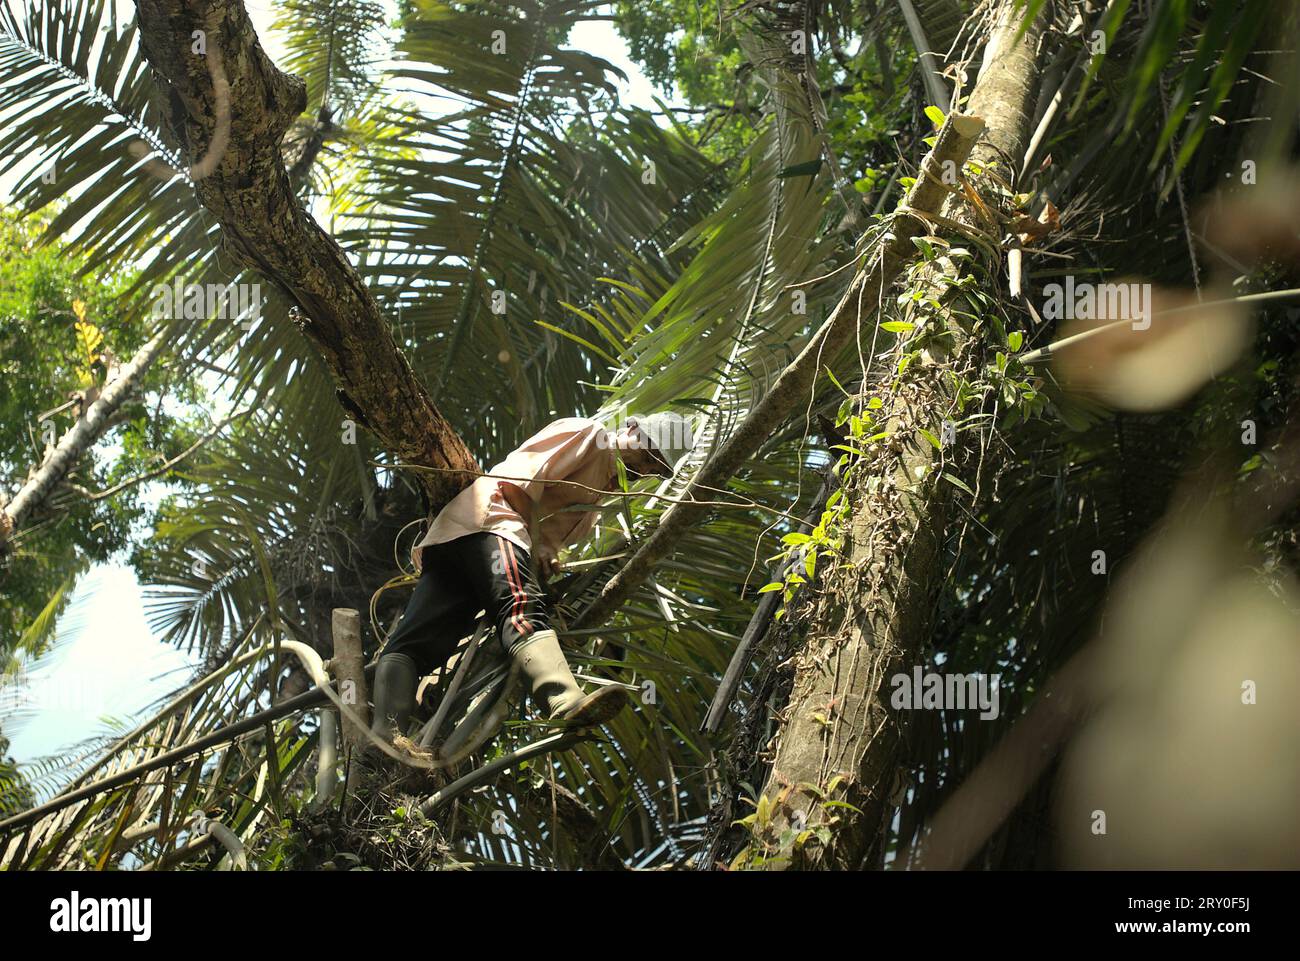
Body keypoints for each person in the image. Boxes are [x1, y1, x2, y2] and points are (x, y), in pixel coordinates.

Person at [368, 411, 695, 755]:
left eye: (654, 468)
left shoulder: (596, 500)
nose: (642, 469)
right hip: (492, 523)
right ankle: (564, 701)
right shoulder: (590, 435)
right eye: (647, 454)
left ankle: (383, 740)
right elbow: (520, 480)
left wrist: (545, 554)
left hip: (459, 540)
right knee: (520, 608)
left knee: (415, 643)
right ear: (631, 429)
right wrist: (537, 545)